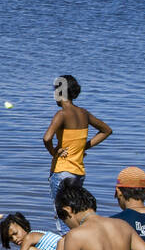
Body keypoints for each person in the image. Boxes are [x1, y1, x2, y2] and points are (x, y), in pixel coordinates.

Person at [43, 74, 111, 233]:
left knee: (62, 215)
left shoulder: (61, 114)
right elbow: (106, 130)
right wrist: (82, 147)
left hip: (61, 171)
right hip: (78, 172)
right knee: (76, 213)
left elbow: (47, 138)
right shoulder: (84, 114)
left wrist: (53, 152)